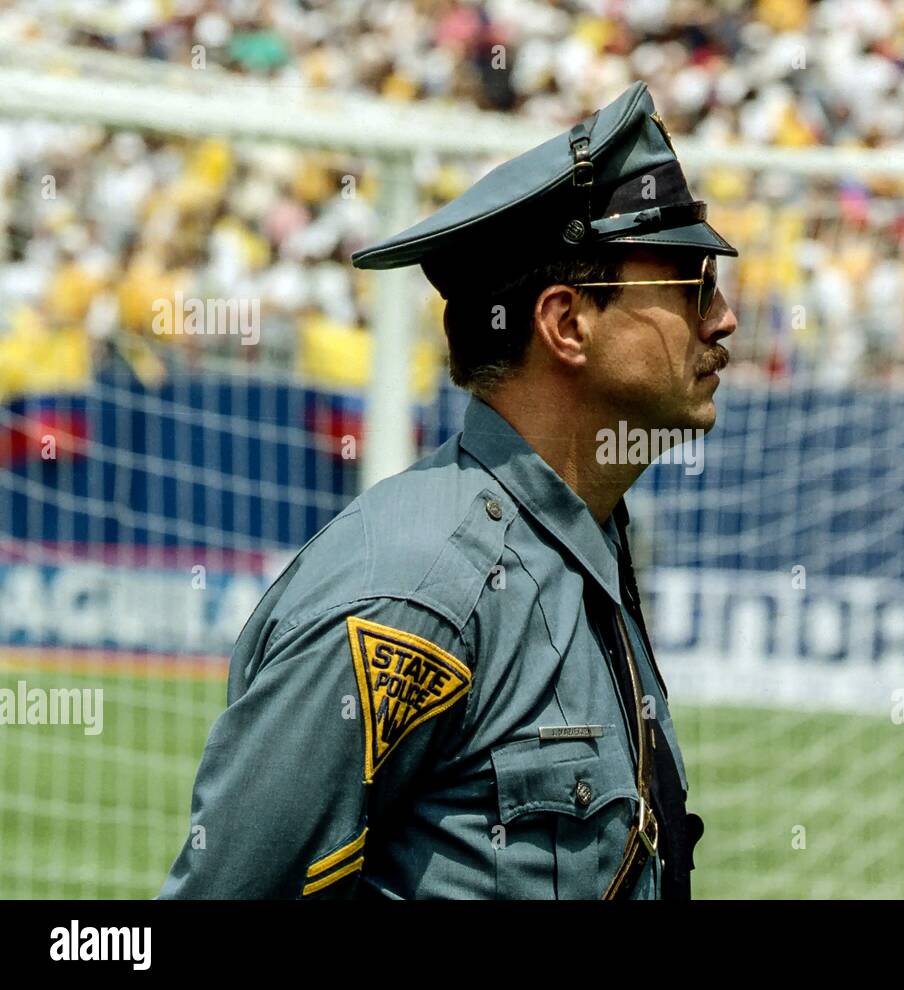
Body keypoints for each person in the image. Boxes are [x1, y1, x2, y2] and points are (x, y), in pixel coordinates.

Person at [159, 81, 738, 899]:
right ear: (568, 324)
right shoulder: (417, 590)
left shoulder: (584, 544)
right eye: (692, 284)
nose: (723, 320)